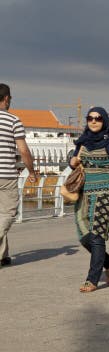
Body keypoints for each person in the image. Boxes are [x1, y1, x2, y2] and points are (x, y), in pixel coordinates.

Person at [68, 107, 109, 292]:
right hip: (84, 194)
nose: (94, 121)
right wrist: (72, 163)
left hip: (104, 194)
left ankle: (92, 279)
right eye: (90, 118)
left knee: (97, 237)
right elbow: (74, 164)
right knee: (84, 236)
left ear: (104, 121)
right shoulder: (82, 142)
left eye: (98, 119)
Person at [0, 83, 37, 267]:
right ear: (6, 98)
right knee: (7, 213)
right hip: (6, 175)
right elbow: (23, 151)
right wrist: (31, 170)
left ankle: (3, 255)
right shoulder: (13, 120)